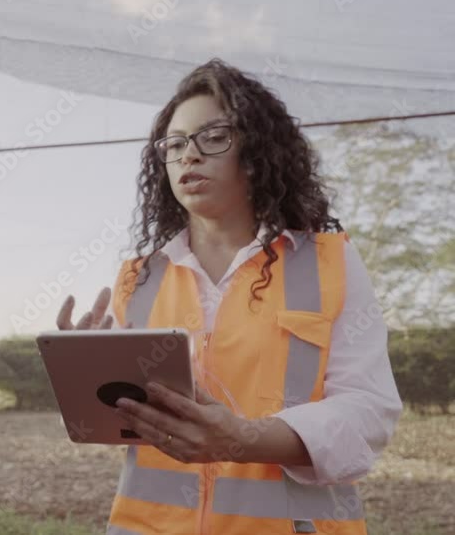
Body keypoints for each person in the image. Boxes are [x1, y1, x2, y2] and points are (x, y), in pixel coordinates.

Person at [57, 59, 402, 535]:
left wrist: (245, 438)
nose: (189, 156)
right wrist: (91, 377)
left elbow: (367, 413)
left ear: (258, 152)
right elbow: (133, 421)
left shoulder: (331, 263)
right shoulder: (138, 279)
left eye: (213, 137)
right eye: (174, 145)